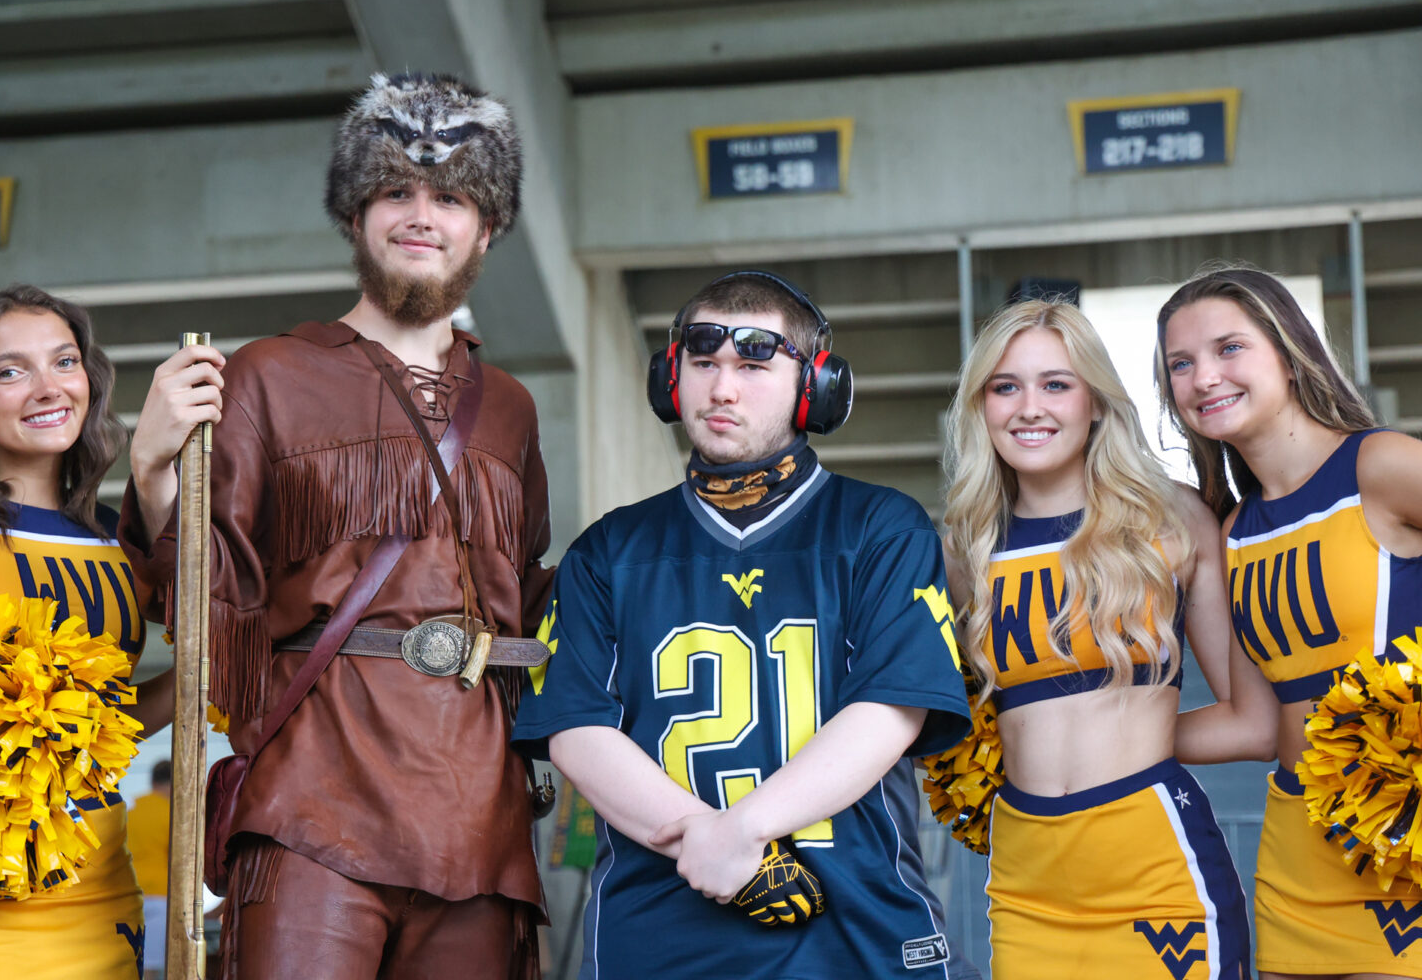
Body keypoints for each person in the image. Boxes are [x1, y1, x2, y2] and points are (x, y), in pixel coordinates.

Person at [119, 71, 553, 980]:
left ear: (488, 227)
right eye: (395, 191)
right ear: (356, 216)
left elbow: (530, 600)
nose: (421, 216)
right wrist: (154, 470)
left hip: (480, 817)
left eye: (450, 197)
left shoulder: (510, 408)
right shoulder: (269, 374)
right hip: (312, 801)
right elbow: (207, 602)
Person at [512, 270, 979, 979]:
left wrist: (743, 829)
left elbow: (893, 709)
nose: (722, 389)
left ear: (816, 388)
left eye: (754, 366)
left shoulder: (881, 528)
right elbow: (576, 728)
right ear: (672, 381)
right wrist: (709, 840)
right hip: (659, 943)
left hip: (860, 934)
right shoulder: (608, 549)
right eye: (703, 364)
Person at [0, 284, 194, 980]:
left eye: (64, 361)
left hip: (100, 883)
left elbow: (102, 727)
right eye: (10, 371)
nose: (48, 387)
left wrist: (198, 676)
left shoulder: (117, 542)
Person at [941, 298, 1254, 980]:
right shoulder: (965, 548)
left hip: (1152, 865)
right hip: (1026, 881)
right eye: (1005, 387)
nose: (1030, 408)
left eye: (1056, 384)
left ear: (1096, 401)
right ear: (980, 406)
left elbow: (1249, 719)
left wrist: (1135, 748)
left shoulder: (1170, 520)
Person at [1158, 267, 1422, 980]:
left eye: (1229, 348)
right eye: (1180, 364)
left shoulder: (1379, 466)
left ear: (1289, 352)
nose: (1204, 377)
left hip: (1404, 847)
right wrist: (1082, 737)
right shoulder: (1235, 531)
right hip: (1296, 854)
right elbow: (1254, 725)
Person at [127, 759, 172, 980]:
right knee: (150, 968)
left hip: (129, 894)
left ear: (153, 781)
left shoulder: (130, 809)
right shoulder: (173, 813)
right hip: (161, 896)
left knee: (126, 963)